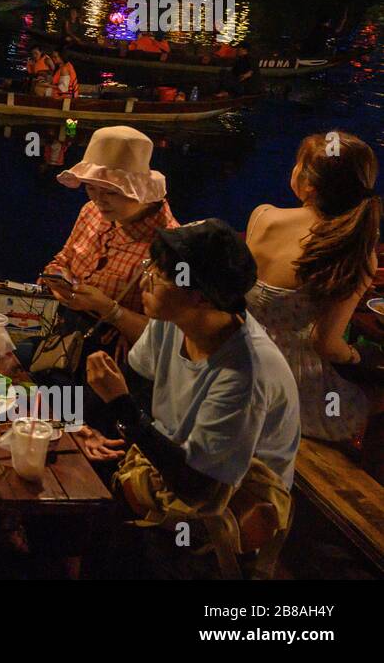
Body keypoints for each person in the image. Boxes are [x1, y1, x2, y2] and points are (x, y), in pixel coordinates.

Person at [84, 220, 300, 539]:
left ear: (200, 297)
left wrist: (121, 407)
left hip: (233, 496)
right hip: (175, 459)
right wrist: (89, 432)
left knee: (88, 518)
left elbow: (199, 490)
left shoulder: (246, 372)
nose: (144, 282)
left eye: (157, 276)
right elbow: (137, 389)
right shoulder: (173, 321)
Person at [245, 131, 383, 450]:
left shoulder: (263, 217)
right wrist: (358, 357)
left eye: (298, 165)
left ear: (309, 185)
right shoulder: (355, 250)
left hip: (244, 362)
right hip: (295, 388)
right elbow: (325, 344)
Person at [37, 126, 181, 386]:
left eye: (112, 192)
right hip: (67, 342)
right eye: (91, 188)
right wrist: (57, 279)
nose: (99, 200)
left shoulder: (169, 247)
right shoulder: (91, 212)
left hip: (115, 367)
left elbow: (168, 341)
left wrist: (108, 308)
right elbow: (64, 258)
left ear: (140, 189)